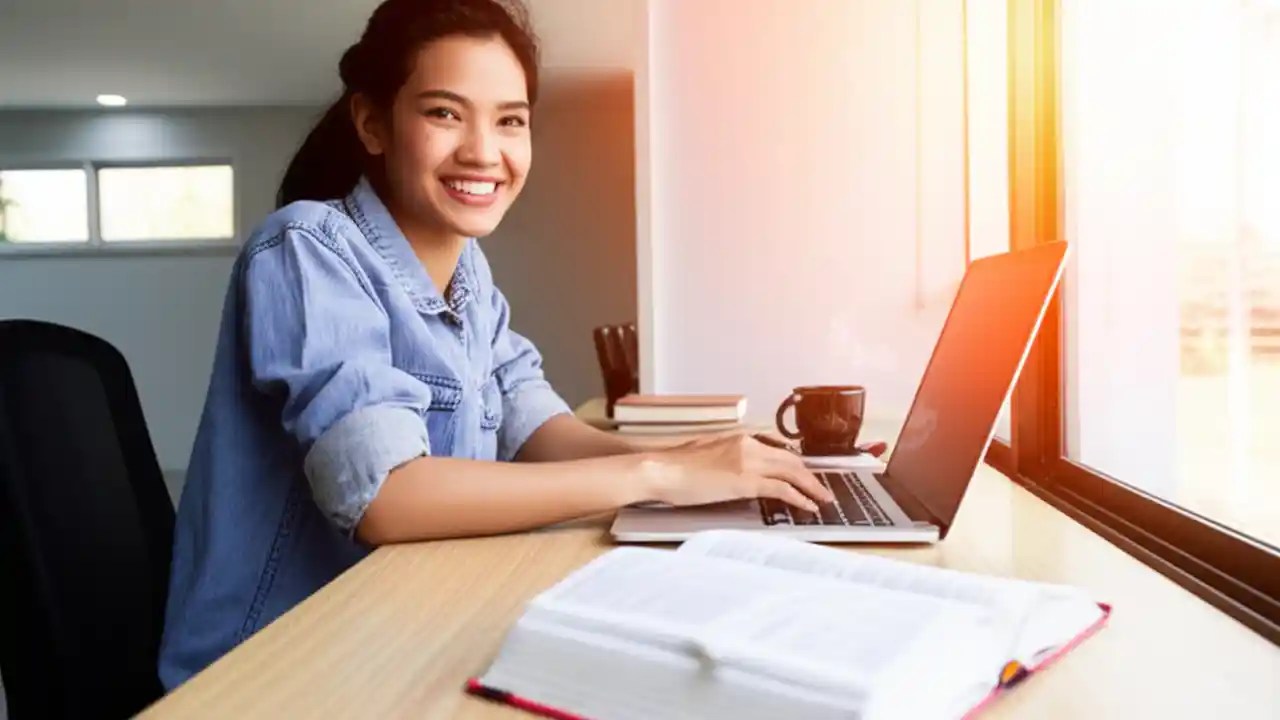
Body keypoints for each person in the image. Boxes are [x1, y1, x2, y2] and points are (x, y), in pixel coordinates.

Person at [157, 0, 832, 689]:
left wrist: (695, 466)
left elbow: (537, 424)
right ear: (372, 123)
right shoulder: (306, 247)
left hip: (397, 627)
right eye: (445, 113)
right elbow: (386, 495)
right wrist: (655, 478)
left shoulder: (467, 273)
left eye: (510, 120)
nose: (484, 151)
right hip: (268, 668)